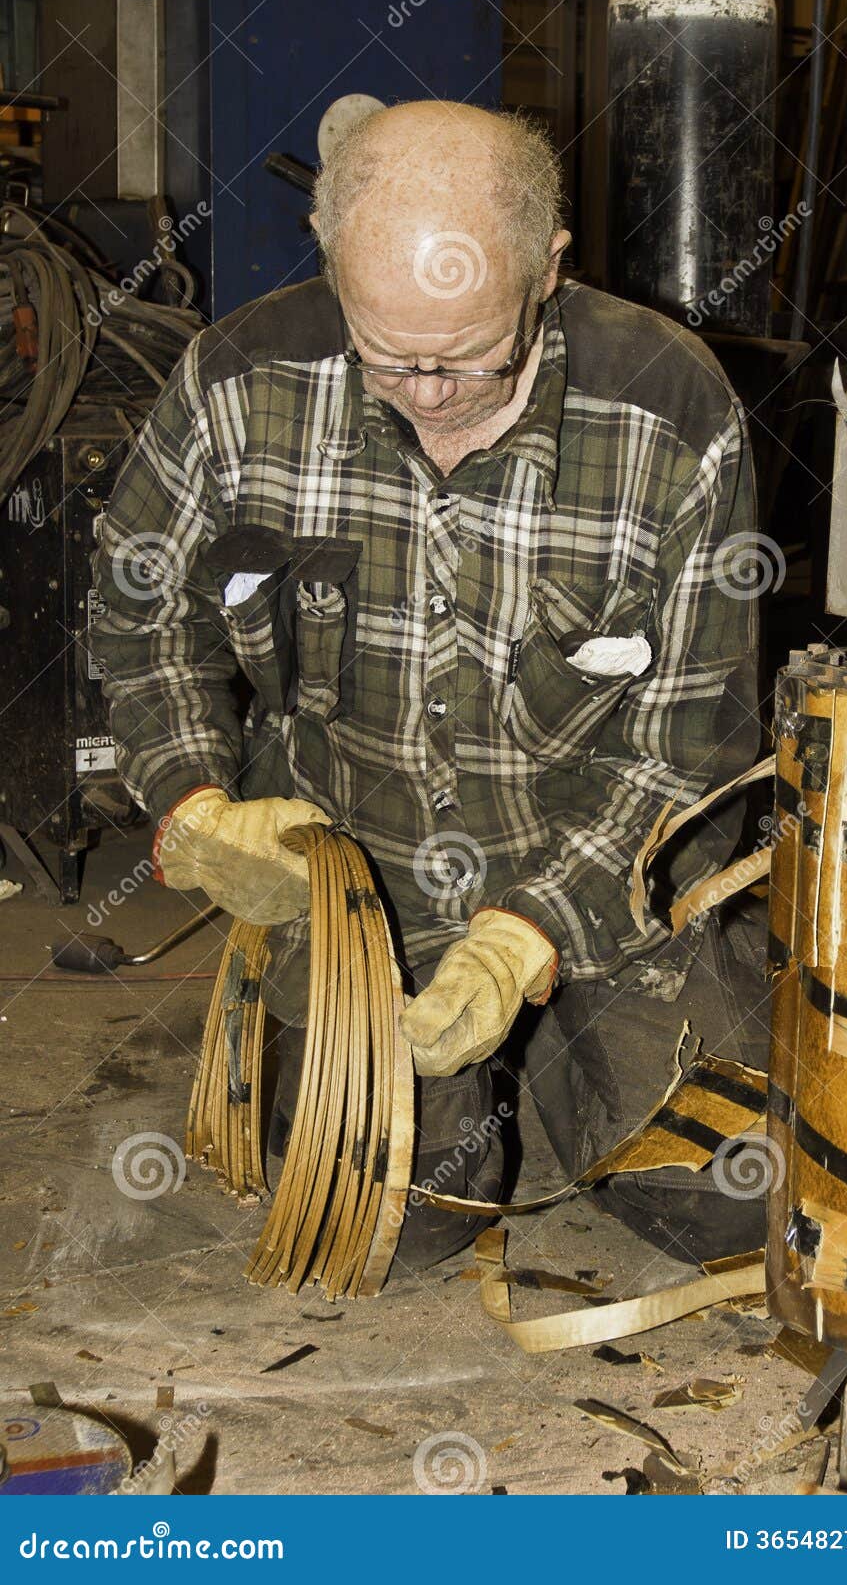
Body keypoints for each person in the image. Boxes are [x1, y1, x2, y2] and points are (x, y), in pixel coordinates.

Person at [91, 100, 770, 1271]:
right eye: (387, 351)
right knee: (391, 1235)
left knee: (727, 1206)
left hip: (594, 874)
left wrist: (530, 938)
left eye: (468, 355)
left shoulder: (672, 411)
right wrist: (193, 809)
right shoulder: (236, 379)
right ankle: (494, 1087)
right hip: (360, 896)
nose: (429, 392)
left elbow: (686, 751)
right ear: (335, 275)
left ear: (547, 272)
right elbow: (142, 613)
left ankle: (557, 1045)